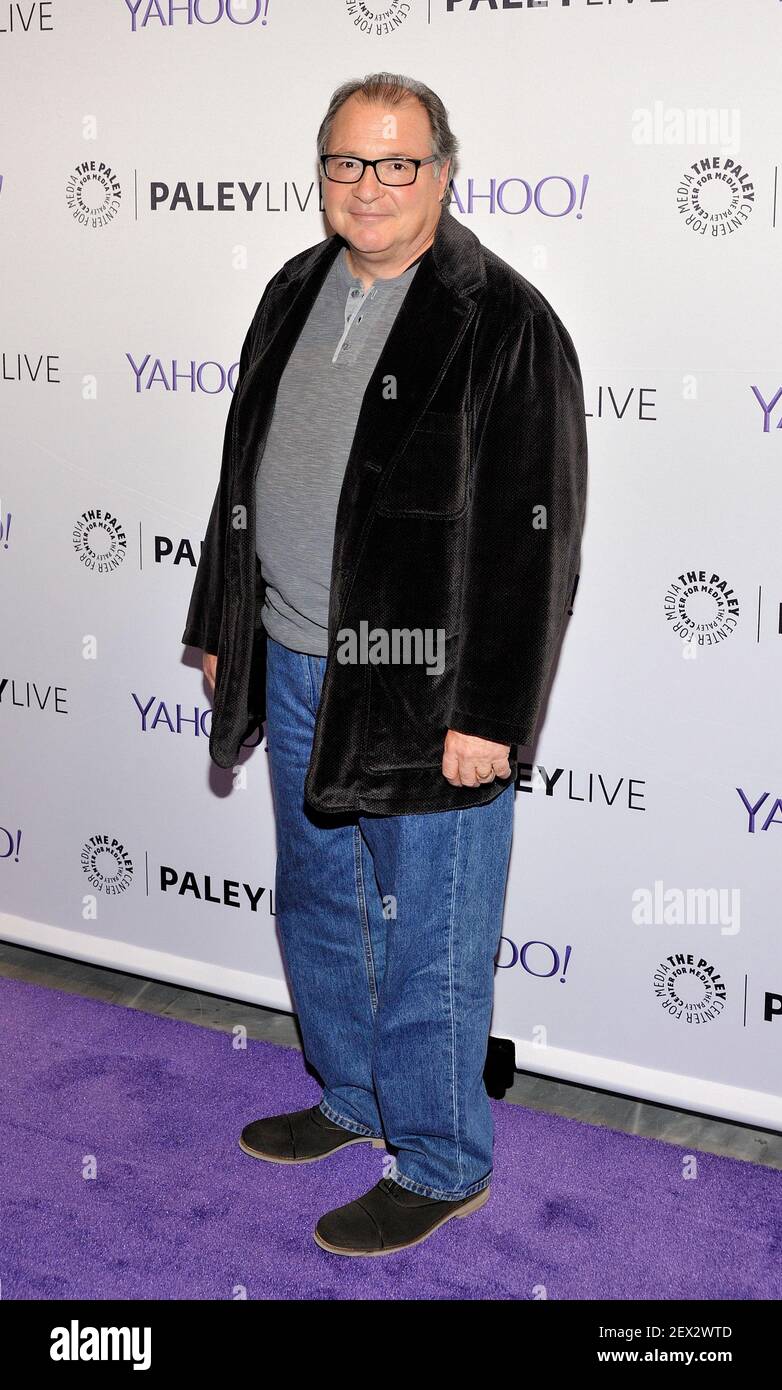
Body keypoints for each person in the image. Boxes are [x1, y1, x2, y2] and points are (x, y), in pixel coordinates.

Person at [181, 71, 588, 1257]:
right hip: (297, 661)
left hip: (427, 693)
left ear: (443, 172)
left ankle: (443, 1156)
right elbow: (241, 478)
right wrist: (221, 619)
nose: (369, 187)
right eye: (346, 163)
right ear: (320, 172)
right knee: (320, 901)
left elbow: (538, 541)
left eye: (396, 163)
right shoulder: (293, 289)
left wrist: (491, 714)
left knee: (430, 938)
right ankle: (354, 1098)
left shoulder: (503, 321)